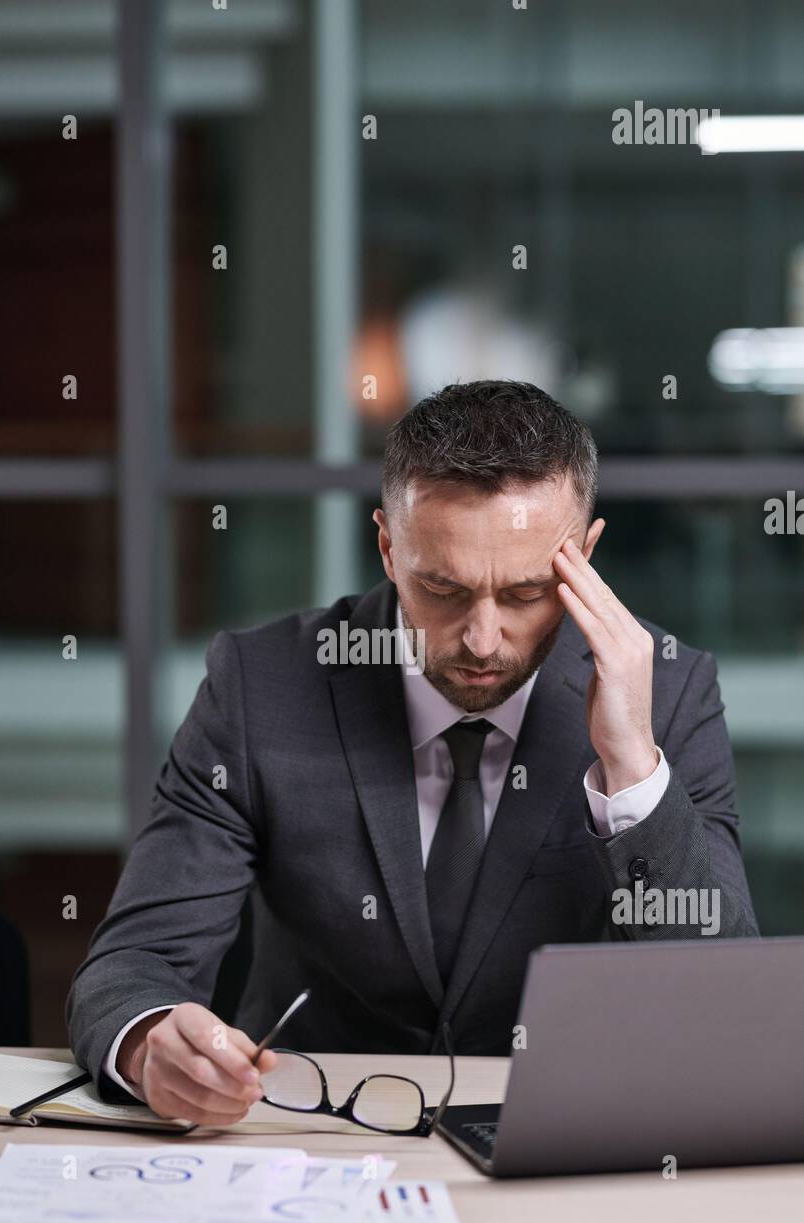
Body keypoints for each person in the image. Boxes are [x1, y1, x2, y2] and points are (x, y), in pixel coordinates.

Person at [67, 380, 759, 1126]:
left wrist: (631, 770)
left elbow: (724, 1006)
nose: (483, 640)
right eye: (443, 588)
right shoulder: (259, 689)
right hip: (311, 1138)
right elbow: (132, 967)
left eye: (527, 593)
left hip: (569, 1143)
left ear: (585, 556)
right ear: (389, 549)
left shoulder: (670, 691)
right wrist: (149, 1046)